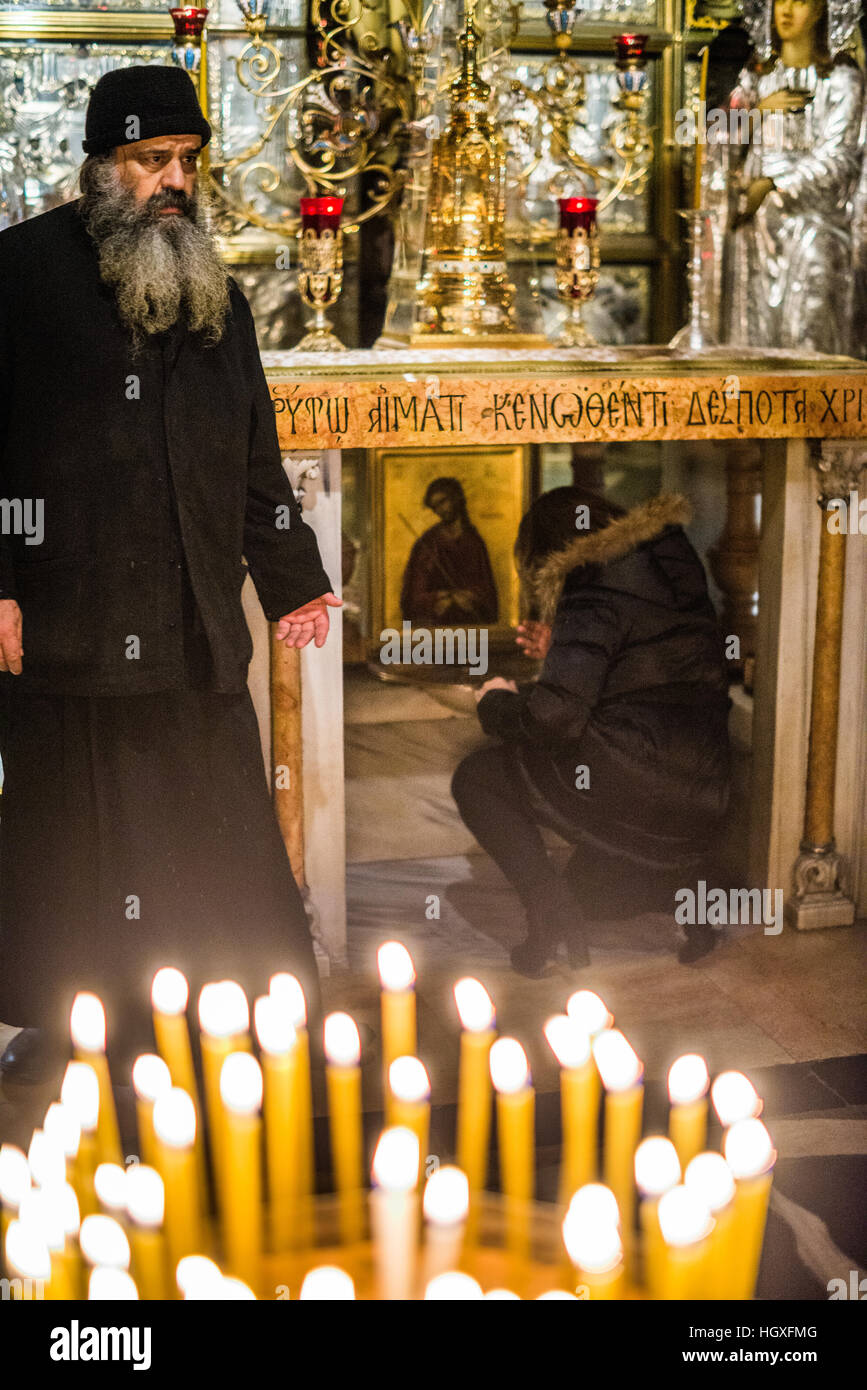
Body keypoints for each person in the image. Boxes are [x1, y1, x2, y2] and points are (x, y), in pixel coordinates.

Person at [0, 65, 341, 1082]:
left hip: (191, 623)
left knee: (214, 828)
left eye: (186, 161)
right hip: (69, 623)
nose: (173, 181)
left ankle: (216, 1007)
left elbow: (249, 452)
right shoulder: (17, 277)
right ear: (104, 166)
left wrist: (293, 576)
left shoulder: (211, 290)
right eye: (153, 161)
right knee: (80, 843)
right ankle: (78, 1024)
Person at [451, 487, 732, 977]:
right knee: (594, 892)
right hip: (705, 785)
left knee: (477, 778)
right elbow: (646, 665)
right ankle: (686, 899)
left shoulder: (592, 588)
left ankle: (547, 911)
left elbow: (554, 720)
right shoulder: (671, 562)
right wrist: (563, 648)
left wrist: (496, 699)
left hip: (638, 781)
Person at [704, 0, 865, 353]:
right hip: (757, 228)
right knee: (755, 336)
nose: (787, 11)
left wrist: (774, 185)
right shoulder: (756, 79)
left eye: (801, 1)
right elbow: (718, 139)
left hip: (814, 225)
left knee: (811, 332)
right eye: (782, 1)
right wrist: (758, 112)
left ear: (822, 11)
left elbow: (839, 157)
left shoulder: (842, 81)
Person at [400, 476, 499, 625]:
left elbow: (488, 593)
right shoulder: (427, 543)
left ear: (456, 497)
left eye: (442, 502)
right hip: (435, 630)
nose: (440, 510)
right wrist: (440, 598)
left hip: (470, 629)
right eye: (435, 507)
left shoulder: (474, 542)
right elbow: (413, 597)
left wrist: (470, 597)